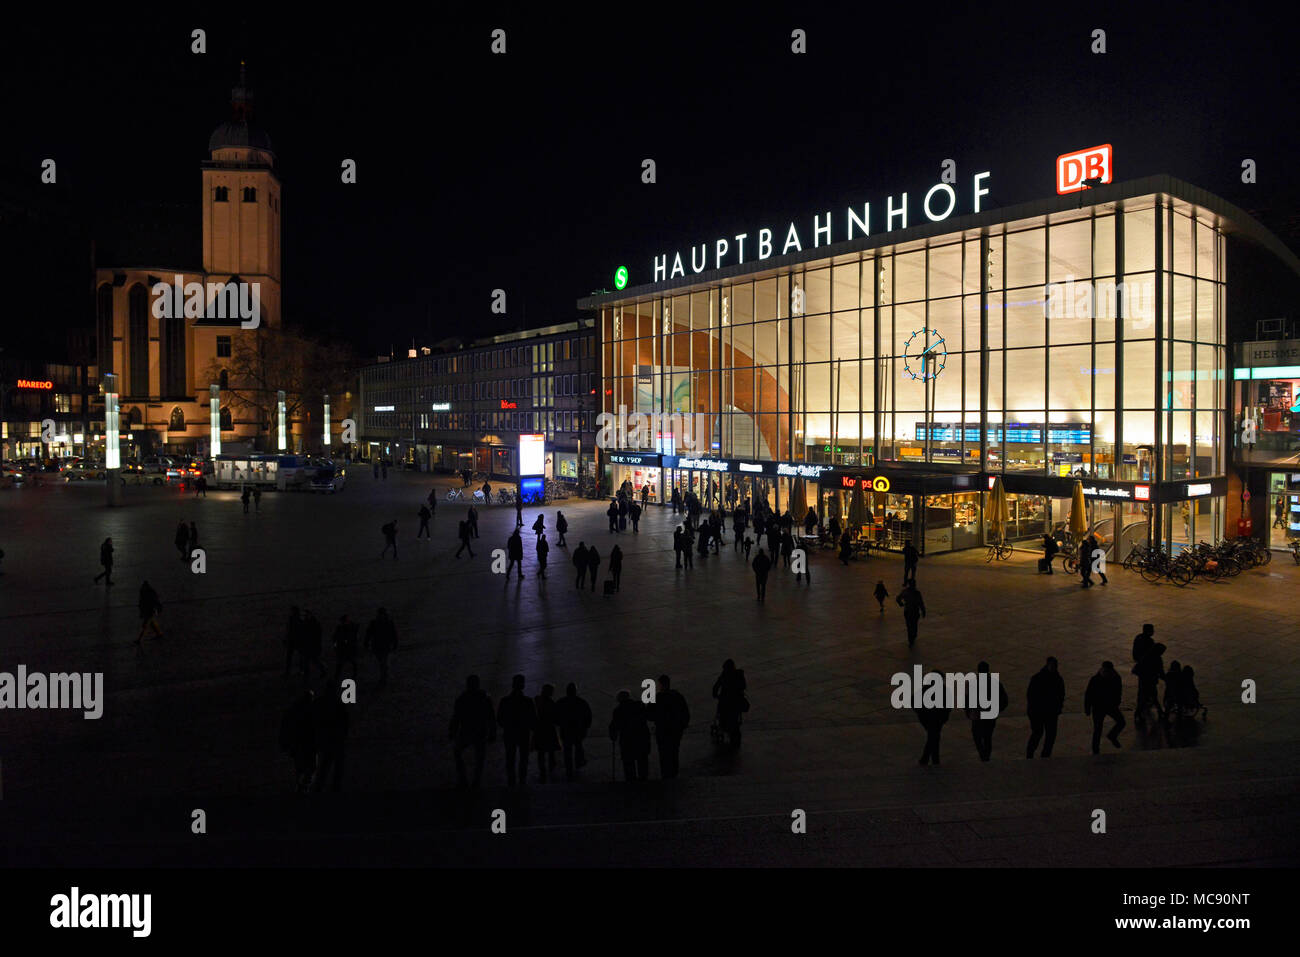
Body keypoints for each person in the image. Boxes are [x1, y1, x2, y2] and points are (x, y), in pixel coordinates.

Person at [450, 675, 496, 789]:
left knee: (457, 752)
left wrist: (452, 731)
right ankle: (476, 780)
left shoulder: (462, 698)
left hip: (466, 730)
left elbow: (456, 716)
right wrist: (492, 731)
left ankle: (463, 778)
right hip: (480, 731)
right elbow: (491, 716)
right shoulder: (484, 698)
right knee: (480, 757)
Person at [497, 675, 537, 789]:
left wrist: (508, 725)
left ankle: (511, 781)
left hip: (510, 733)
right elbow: (533, 719)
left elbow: (500, 718)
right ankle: (522, 781)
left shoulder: (505, 701)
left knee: (510, 758)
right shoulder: (528, 702)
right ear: (523, 685)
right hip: (523, 734)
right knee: (523, 759)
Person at [647, 675, 690, 780]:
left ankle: (665, 774)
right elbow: (685, 712)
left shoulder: (657, 697)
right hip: (676, 729)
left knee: (663, 752)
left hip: (662, 730)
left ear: (660, 685)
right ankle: (674, 772)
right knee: (674, 751)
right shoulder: (678, 696)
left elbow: (649, 714)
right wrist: (682, 726)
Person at [966, 661, 1009, 761]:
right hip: (990, 716)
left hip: (977, 715)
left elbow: (967, 700)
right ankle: (986, 756)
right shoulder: (996, 683)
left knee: (977, 736)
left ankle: (983, 754)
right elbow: (1004, 700)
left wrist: (968, 712)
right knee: (987, 737)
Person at [311, 685, 349, 792]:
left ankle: (319, 787)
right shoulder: (338, 704)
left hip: (325, 738)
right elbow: (345, 722)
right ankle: (335, 787)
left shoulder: (319, 703)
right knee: (337, 765)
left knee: (325, 764)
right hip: (336, 738)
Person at [1026, 656, 1065, 758]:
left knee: (1045, 734)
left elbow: (1061, 695)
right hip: (1042, 711)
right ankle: (1036, 753)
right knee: (1042, 734)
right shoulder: (1056, 679)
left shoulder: (1039, 678)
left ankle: (1038, 754)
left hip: (1047, 712)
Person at [609, 690, 651, 782]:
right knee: (642, 762)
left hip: (627, 741)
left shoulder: (618, 710)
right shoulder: (639, 706)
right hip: (641, 738)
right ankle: (644, 783)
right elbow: (647, 716)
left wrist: (613, 735)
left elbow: (614, 726)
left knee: (629, 764)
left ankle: (631, 785)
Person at [1084, 660, 1126, 754]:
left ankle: (1108, 738)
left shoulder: (1099, 678)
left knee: (1120, 722)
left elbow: (1118, 692)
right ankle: (1097, 748)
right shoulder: (1110, 678)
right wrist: (1087, 707)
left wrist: (1116, 702)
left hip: (1108, 706)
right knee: (1098, 729)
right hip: (1099, 707)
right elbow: (1089, 694)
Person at [279, 690, 317, 792]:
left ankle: (300, 785)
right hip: (308, 743)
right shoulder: (312, 711)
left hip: (298, 743)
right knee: (311, 766)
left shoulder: (293, 711)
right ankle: (304, 785)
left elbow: (285, 727)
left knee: (300, 766)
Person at [712, 659, 747, 750]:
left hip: (725, 701)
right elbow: (743, 686)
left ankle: (725, 729)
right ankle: (734, 736)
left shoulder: (724, 675)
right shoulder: (738, 675)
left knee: (723, 716)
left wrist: (715, 694)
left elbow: (716, 686)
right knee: (734, 720)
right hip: (735, 702)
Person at [1132, 638, 1167, 724]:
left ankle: (1140, 713)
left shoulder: (1146, 656)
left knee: (1147, 697)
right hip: (1150, 681)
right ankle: (1140, 713)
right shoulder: (1157, 659)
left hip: (1144, 681)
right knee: (1150, 697)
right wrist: (1166, 679)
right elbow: (1160, 671)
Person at [533, 684, 561, 783]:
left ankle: (542, 771)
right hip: (549, 730)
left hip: (540, 730)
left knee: (541, 752)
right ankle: (551, 770)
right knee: (551, 751)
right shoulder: (551, 704)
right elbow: (556, 718)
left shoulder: (537, 700)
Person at [364, 607, 398, 685]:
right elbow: (394, 634)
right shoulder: (388, 622)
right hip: (381, 645)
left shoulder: (376, 622)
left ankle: (383, 678)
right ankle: (384, 677)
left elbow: (368, 633)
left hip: (381, 645)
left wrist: (366, 643)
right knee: (383, 662)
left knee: (383, 663)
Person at [916, 689, 950, 766]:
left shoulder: (925, 689)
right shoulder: (944, 690)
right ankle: (930, 759)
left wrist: (920, 713)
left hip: (931, 718)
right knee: (934, 737)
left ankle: (929, 759)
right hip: (935, 718)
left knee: (933, 737)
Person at [896, 582, 926, 647]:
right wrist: (923, 611)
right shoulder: (917, 593)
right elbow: (921, 603)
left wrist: (900, 604)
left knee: (909, 625)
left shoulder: (905, 592)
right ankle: (913, 635)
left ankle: (910, 638)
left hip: (907, 610)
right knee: (914, 624)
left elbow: (898, 598)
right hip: (915, 611)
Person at [332, 614, 360, 680]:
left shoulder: (351, 628)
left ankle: (337, 677)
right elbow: (335, 637)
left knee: (349, 662)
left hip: (348, 648)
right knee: (342, 664)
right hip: (344, 649)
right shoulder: (342, 628)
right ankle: (337, 676)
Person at [301, 610, 327, 678]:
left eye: (305, 615)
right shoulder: (308, 623)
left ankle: (322, 670)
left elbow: (317, 635)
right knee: (310, 660)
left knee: (313, 660)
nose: (304, 617)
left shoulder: (313, 624)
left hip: (312, 645)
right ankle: (307, 675)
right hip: (309, 645)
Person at [283, 606, 304, 678]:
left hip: (294, 640)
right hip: (294, 640)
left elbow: (289, 631)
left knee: (290, 657)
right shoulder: (298, 620)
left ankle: (288, 672)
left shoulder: (292, 620)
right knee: (296, 656)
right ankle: (298, 671)